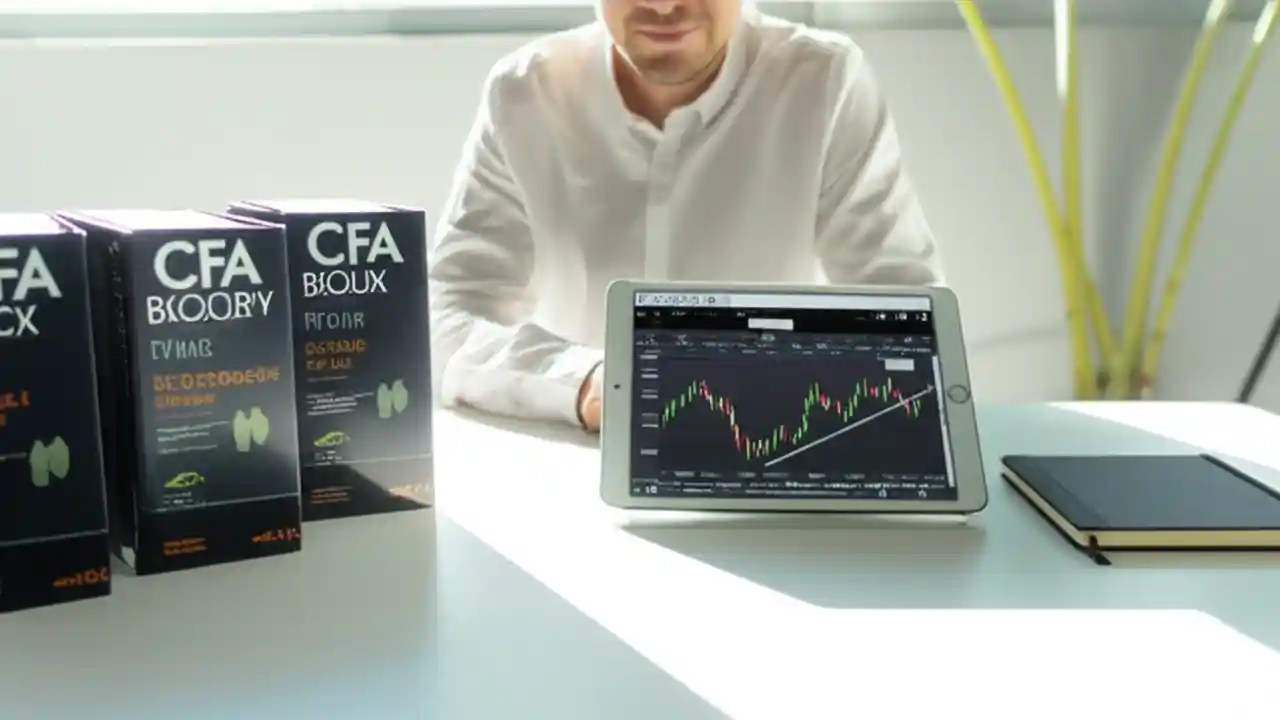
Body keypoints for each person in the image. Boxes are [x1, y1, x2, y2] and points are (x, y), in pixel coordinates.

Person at [429, 0, 944, 432]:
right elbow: (442, 320)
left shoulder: (824, 80)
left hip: (768, 448)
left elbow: (911, 318)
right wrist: (584, 383)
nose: (663, 5)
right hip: (574, 455)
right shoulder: (525, 92)